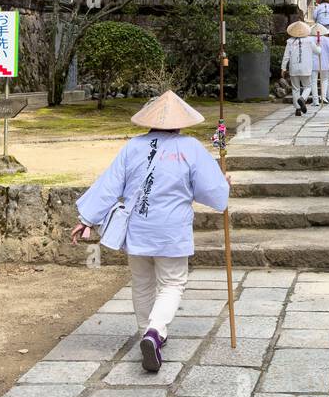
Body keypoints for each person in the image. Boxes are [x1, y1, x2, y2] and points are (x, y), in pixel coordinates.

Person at [70, 90, 231, 373]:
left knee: (142, 282)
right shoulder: (190, 147)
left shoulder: (133, 146)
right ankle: (155, 332)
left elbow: (109, 184)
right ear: (182, 122)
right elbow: (214, 193)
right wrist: (224, 183)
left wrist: (86, 219)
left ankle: (148, 331)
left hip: (138, 228)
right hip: (171, 230)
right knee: (171, 283)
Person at [281, 19, 320, 115]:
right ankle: (303, 98)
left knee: (295, 88)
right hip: (306, 68)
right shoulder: (310, 40)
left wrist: (283, 68)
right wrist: (318, 45)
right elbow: (318, 51)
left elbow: (286, 56)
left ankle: (298, 109)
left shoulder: (289, 41)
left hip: (293, 68)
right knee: (308, 86)